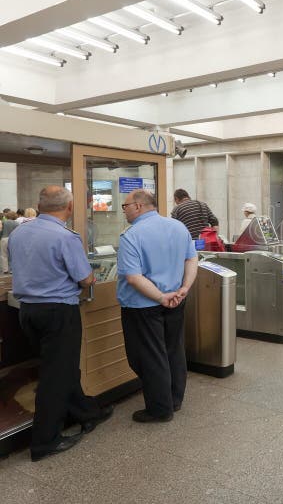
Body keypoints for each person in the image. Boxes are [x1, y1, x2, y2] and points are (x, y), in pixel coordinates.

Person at [8, 186, 113, 461]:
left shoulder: (18, 233)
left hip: (27, 311)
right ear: (68, 208)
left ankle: (88, 413)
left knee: (60, 367)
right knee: (56, 375)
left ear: (40, 206)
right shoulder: (65, 237)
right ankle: (45, 442)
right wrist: (91, 276)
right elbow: (85, 279)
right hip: (58, 311)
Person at [118, 189, 198, 423]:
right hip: (176, 301)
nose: (124, 211)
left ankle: (160, 409)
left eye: (125, 206)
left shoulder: (131, 235)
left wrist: (161, 297)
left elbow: (133, 277)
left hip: (143, 306)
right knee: (173, 349)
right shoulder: (177, 227)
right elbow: (191, 258)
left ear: (138, 206)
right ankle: (174, 399)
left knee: (147, 357)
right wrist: (184, 288)